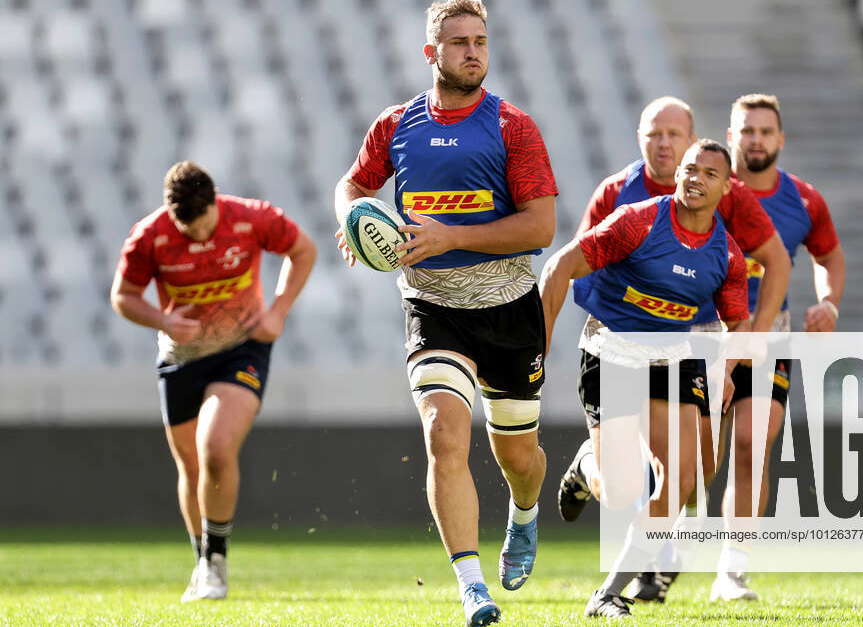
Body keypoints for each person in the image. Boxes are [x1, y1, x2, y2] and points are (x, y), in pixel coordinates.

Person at [332, 2, 557, 624]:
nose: (473, 52)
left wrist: (449, 236)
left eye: (480, 40)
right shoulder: (396, 124)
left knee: (519, 459)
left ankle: (525, 513)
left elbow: (541, 227)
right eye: (459, 42)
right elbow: (352, 185)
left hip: (509, 307)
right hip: (432, 306)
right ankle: (472, 587)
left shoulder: (513, 127)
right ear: (431, 53)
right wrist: (351, 220)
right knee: (443, 434)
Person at [556, 96, 792, 602]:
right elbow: (574, 267)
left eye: (673, 134)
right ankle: (597, 473)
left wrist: (746, 345)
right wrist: (623, 313)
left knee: (694, 468)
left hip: (692, 336)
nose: (663, 144)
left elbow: (774, 262)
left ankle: (654, 565)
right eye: (654, 134)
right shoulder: (623, 198)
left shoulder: (729, 202)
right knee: (628, 482)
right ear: (641, 140)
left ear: (691, 139)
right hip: (623, 337)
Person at [540, 139, 749, 618]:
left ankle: (608, 593)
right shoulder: (637, 221)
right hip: (610, 349)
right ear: (678, 174)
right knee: (620, 490)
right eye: (690, 169)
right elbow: (559, 266)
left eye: (710, 174)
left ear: (727, 187)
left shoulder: (726, 255)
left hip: (672, 356)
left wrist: (726, 367)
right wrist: (539, 347)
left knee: (681, 477)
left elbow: (737, 323)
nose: (696, 179)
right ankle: (587, 465)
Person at [110, 161, 316, 602]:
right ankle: (204, 562)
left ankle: (216, 560)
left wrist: (278, 311)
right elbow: (123, 297)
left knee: (216, 447)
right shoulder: (149, 236)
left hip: (241, 349)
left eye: (204, 226)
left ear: (214, 203)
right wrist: (163, 320)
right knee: (191, 466)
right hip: (180, 357)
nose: (199, 238)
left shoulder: (251, 218)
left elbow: (303, 250)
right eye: (188, 231)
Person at [708, 93, 845, 601]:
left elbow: (829, 257)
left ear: (781, 139)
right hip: (703, 331)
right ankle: (658, 555)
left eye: (765, 131)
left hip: (769, 333)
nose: (756, 140)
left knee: (752, 444)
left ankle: (732, 569)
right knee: (692, 456)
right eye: (747, 131)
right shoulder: (708, 188)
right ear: (731, 137)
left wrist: (828, 303)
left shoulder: (804, 199)